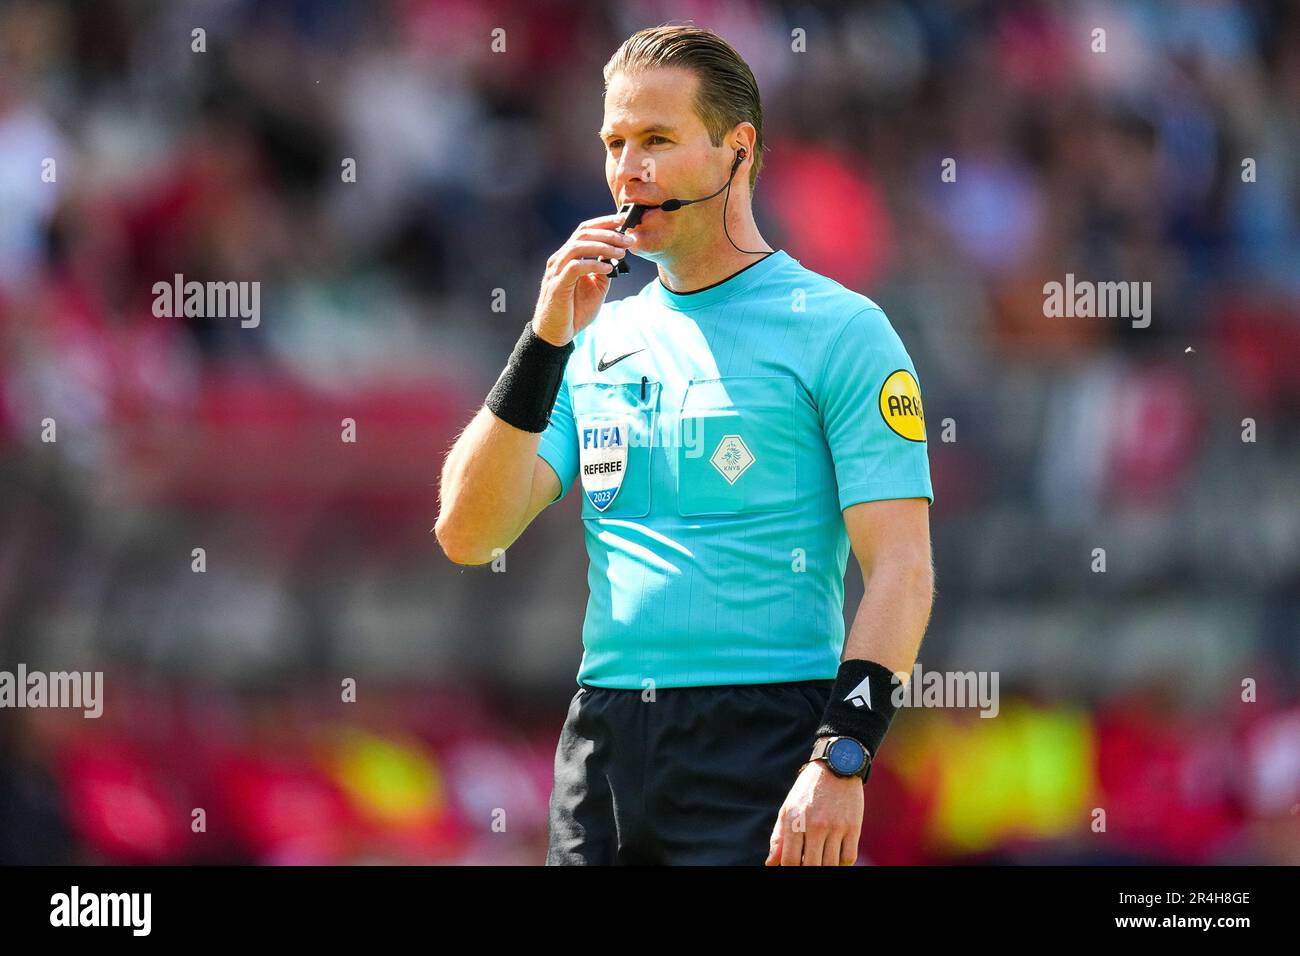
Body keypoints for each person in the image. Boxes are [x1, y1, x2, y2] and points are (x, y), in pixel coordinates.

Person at [435, 25, 935, 866]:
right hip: (605, 745)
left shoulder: (843, 332)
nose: (630, 169)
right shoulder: (589, 341)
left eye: (658, 141)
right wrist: (542, 341)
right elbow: (467, 532)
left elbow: (902, 570)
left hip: (767, 743)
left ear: (736, 151)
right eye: (616, 142)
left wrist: (840, 755)